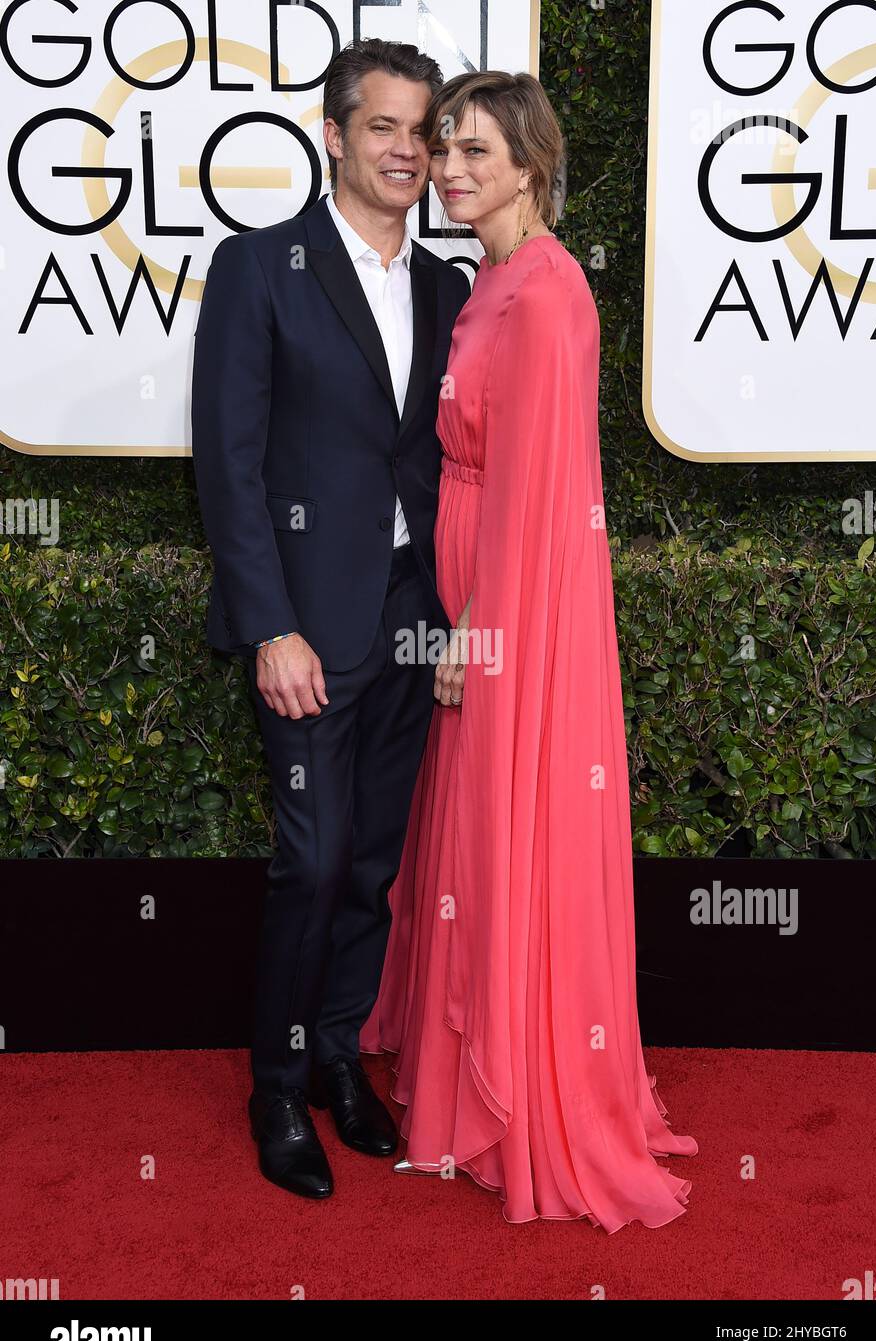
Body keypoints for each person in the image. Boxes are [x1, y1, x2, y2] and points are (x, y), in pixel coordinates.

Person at [360, 71, 698, 1231]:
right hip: (469, 584)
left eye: (476, 154)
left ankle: (523, 1089)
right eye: (444, 147)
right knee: (462, 835)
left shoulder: (548, 293)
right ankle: (462, 1066)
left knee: (511, 833)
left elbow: (540, 495)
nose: (449, 169)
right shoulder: (489, 274)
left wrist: (478, 634)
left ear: (533, 164)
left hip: (509, 608)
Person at [191, 38, 470, 1200]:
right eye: (384, 129)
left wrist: (460, 612)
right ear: (334, 134)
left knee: (371, 862)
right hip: (309, 620)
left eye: (422, 132)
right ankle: (274, 1085)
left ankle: (340, 1059)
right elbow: (229, 462)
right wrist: (271, 626)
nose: (407, 151)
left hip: (414, 613)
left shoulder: (451, 288)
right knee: (309, 863)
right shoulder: (261, 267)